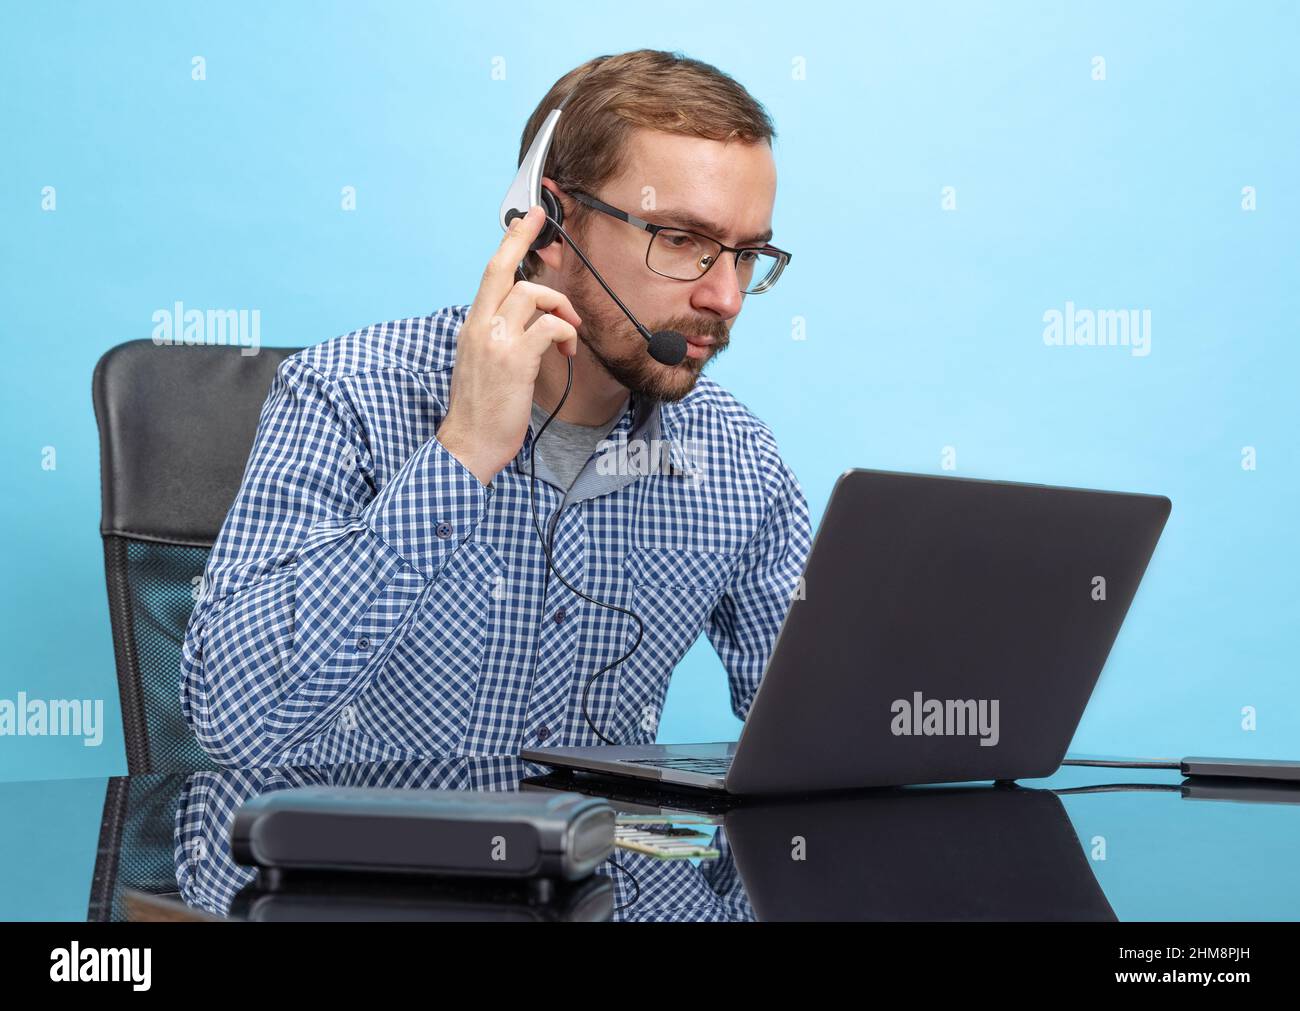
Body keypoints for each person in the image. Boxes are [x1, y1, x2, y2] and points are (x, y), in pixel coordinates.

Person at [180, 49, 811, 767]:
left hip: (601, 873)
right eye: (681, 239)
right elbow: (229, 719)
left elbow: (829, 726)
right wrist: (462, 453)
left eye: (747, 254)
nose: (725, 297)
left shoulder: (735, 458)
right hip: (364, 870)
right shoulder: (347, 391)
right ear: (548, 226)